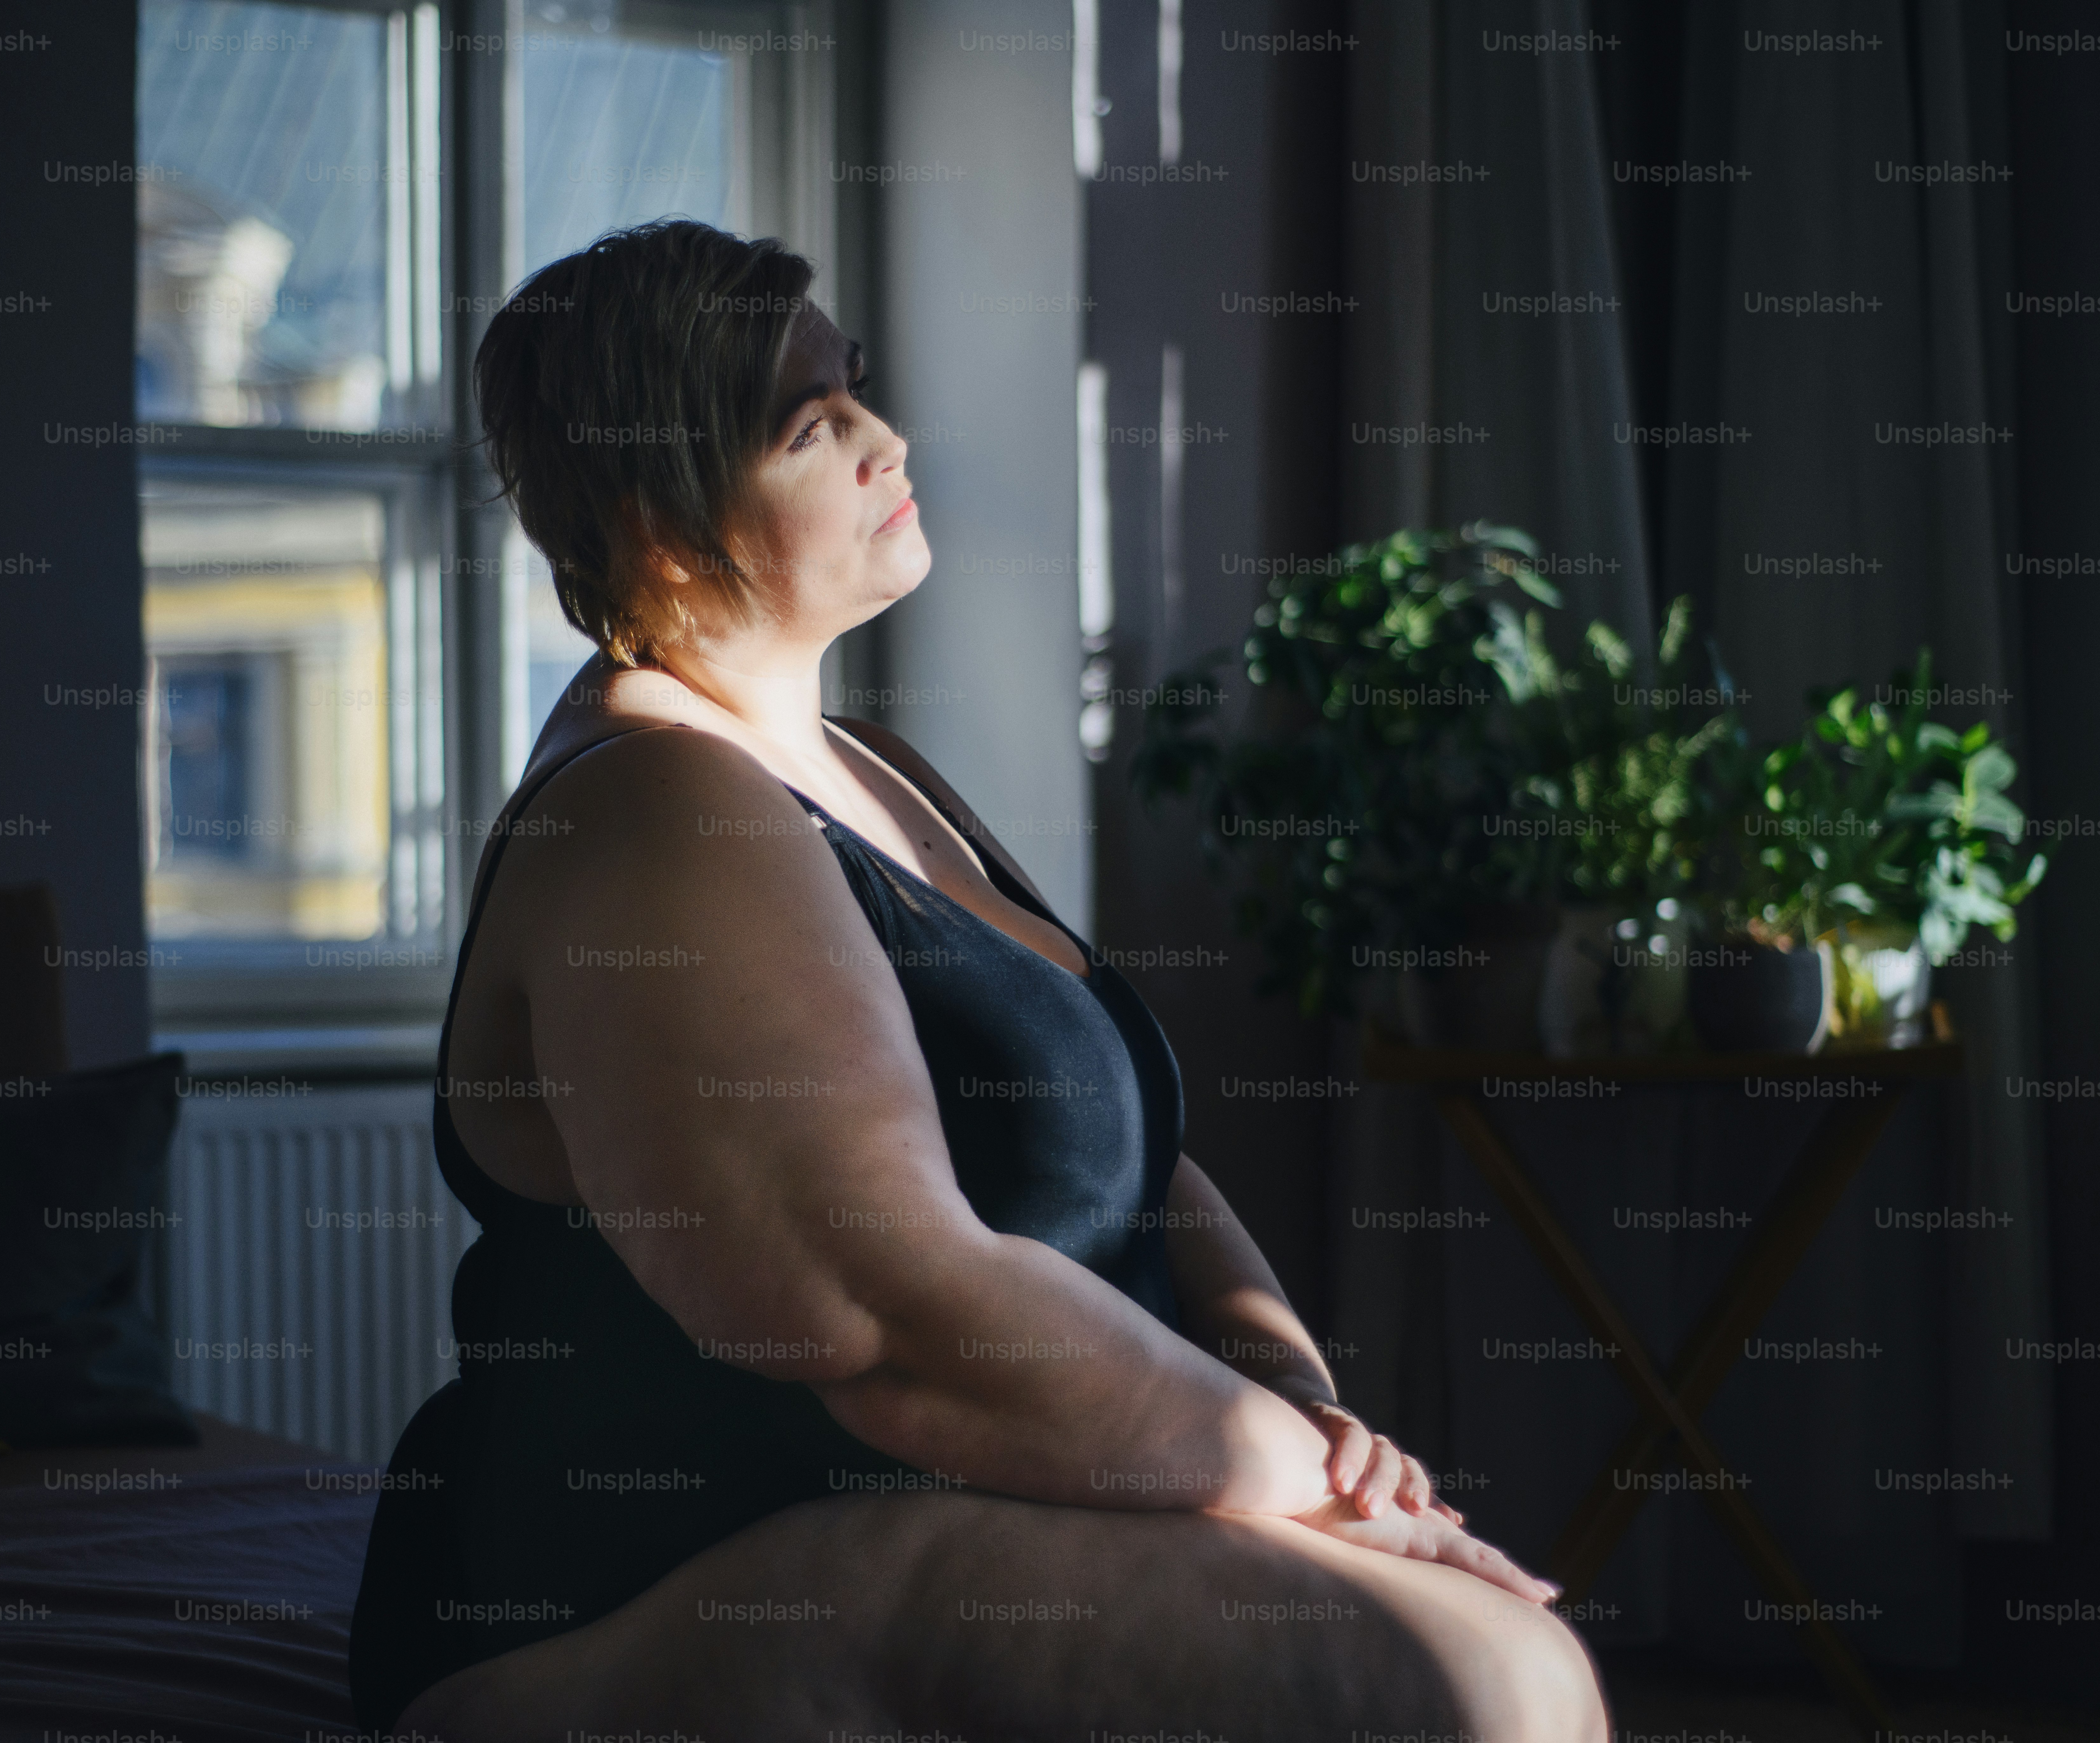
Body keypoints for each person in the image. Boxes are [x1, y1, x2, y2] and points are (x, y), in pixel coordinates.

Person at [349, 219, 1604, 1741]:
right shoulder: (657, 811)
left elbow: (1139, 1151)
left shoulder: (876, 772)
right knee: (1489, 1683)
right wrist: (1288, 1472)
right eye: (814, 425)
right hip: (634, 1599)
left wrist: (1302, 1405)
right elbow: (895, 1315)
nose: (886, 437)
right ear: (664, 527)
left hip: (970, 1501)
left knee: (1491, 1658)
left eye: (855, 389)